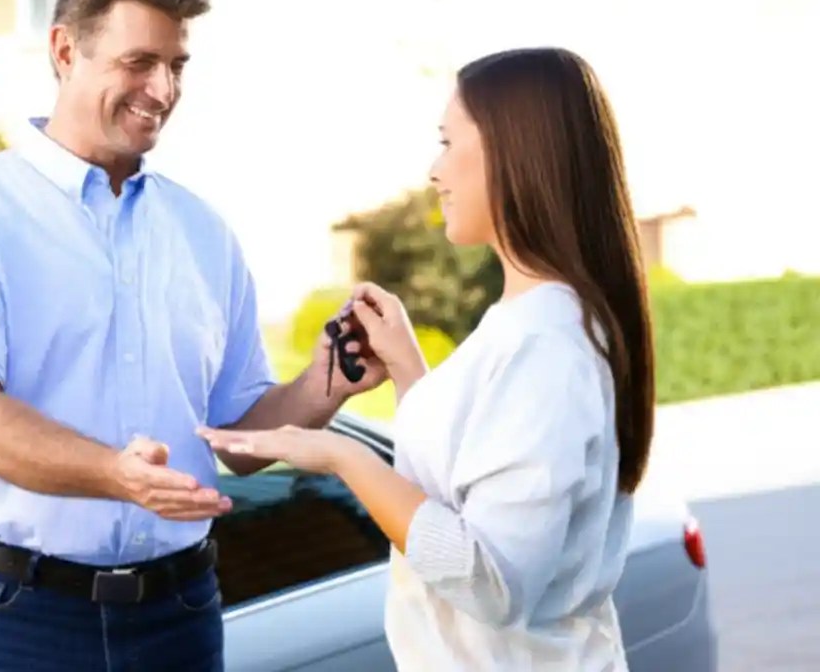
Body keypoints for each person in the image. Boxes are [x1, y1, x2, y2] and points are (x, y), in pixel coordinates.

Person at [0, 0, 385, 669]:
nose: (162, 89)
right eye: (140, 61)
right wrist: (113, 473)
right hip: (17, 618)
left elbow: (237, 438)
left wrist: (325, 387)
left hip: (179, 616)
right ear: (67, 51)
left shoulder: (205, 233)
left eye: (177, 65)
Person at [200, 46, 656, 671]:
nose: (435, 171)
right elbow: (469, 483)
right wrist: (411, 373)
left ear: (513, 153)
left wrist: (340, 456)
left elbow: (490, 580)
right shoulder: (530, 324)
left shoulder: (546, 349)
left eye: (447, 141)